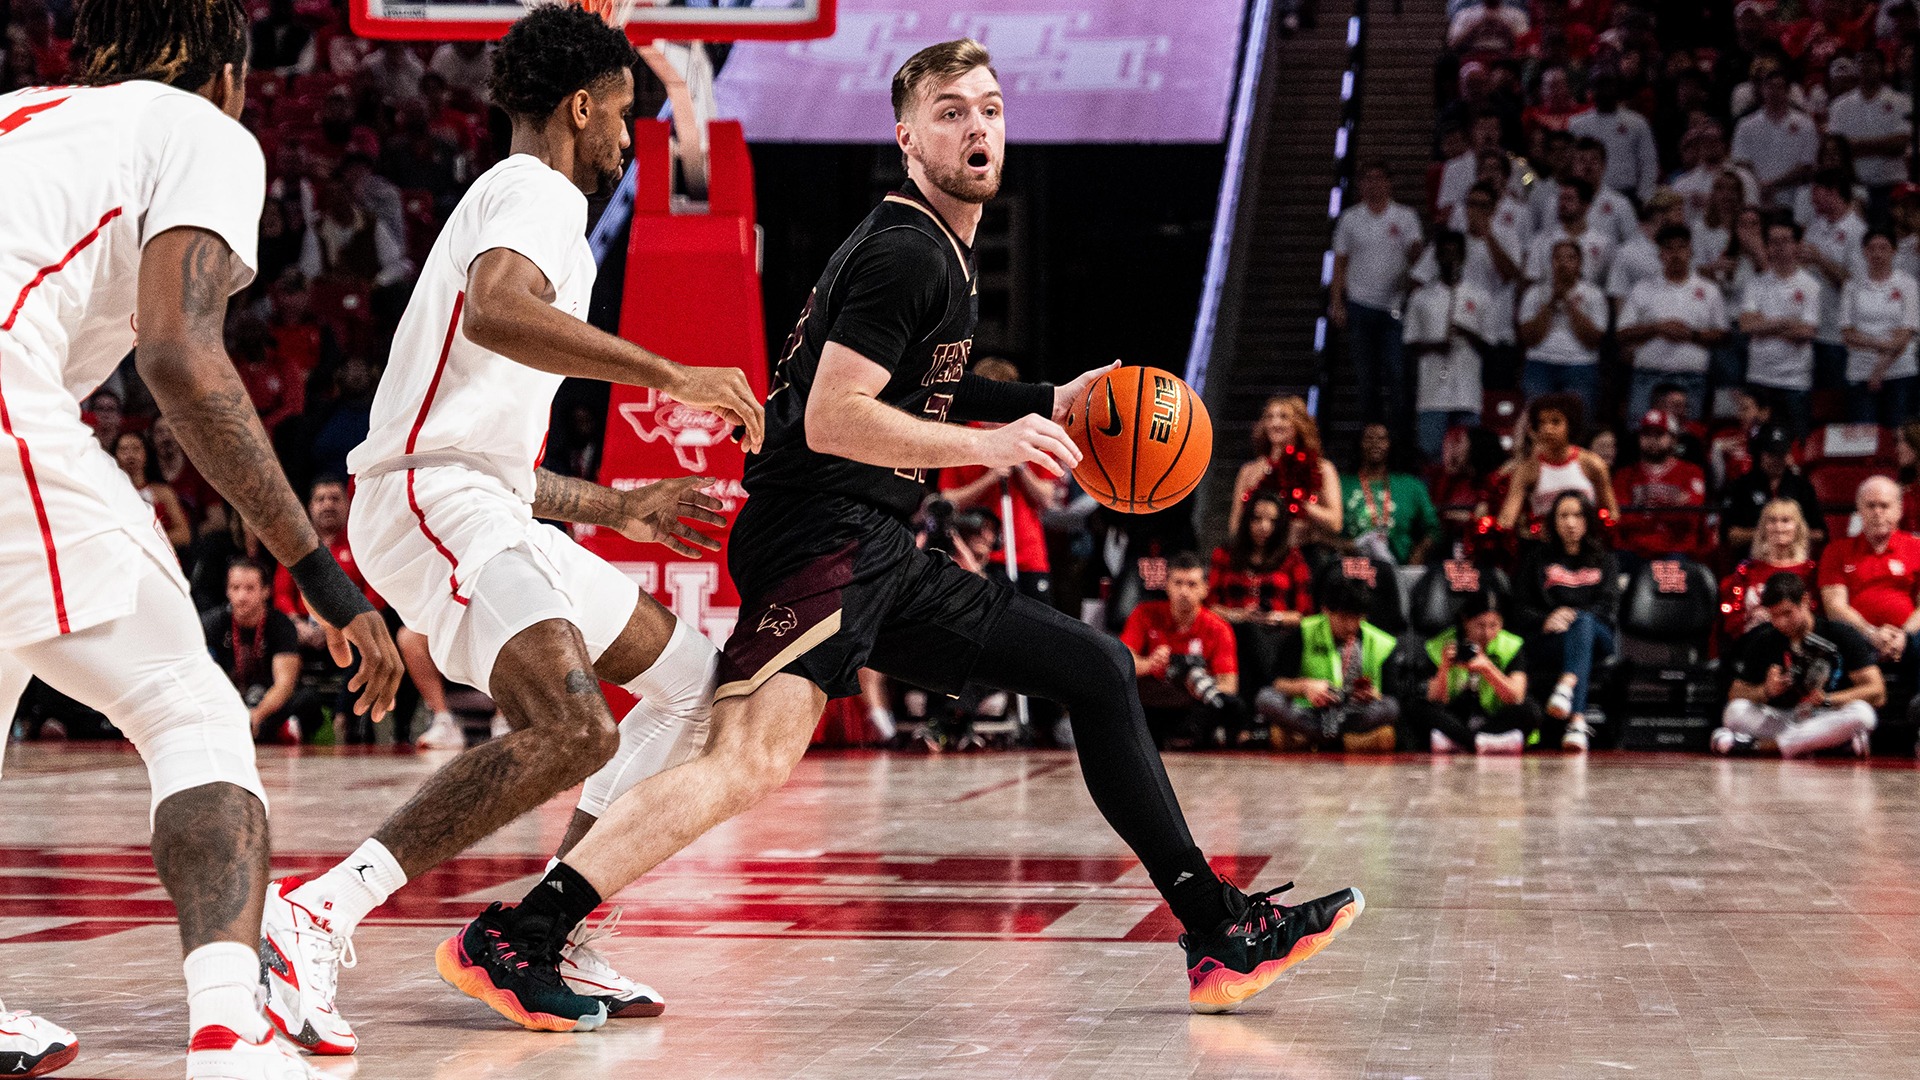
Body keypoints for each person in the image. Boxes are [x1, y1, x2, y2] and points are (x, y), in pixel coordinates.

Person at [503, 38, 1363, 1022]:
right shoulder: (909, 250)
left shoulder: (933, 247)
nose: (977, 127)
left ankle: (1214, 927)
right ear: (907, 136)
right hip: (824, 539)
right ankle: (526, 932)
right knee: (743, 763)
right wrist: (993, 450)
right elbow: (837, 416)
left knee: (1096, 670)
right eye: (951, 111)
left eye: (990, 108)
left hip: (872, 545)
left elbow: (927, 379)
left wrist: (1047, 396)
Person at [260, 6, 764, 1049]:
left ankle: (545, 932)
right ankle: (315, 911)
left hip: (475, 497)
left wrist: (618, 507)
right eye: (625, 115)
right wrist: (670, 369)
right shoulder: (531, 192)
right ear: (582, 108)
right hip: (426, 502)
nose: (631, 140)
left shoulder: (529, 209)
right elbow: (495, 310)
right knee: (574, 729)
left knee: (699, 690)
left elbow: (499, 460)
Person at [0, 1, 403, 1076]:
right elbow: (178, 354)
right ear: (227, 69)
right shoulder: (200, 127)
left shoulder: (20, 115)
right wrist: (315, 568)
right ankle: (232, 1029)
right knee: (188, 708)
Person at [937, 356, 1063, 606]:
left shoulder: (1030, 434)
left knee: (1035, 634)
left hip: (1027, 556)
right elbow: (947, 499)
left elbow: (1047, 498)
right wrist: (990, 477)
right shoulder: (963, 436)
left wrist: (1021, 464)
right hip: (979, 555)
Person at [1715, 572, 1883, 757]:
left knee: (1863, 714)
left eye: (1787, 613)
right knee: (1734, 712)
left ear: (1805, 601)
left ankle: (1764, 746)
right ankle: (1829, 745)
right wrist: (1766, 691)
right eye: (1774, 615)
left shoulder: (1839, 633)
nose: (1781, 623)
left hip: (1827, 715)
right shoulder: (1764, 639)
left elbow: (1877, 692)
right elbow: (1735, 693)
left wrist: (1827, 699)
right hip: (1785, 718)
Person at [1516, 492, 1618, 752]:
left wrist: (1572, 615)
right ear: (1554, 521)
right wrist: (1546, 618)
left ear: (1587, 521)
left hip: (1598, 635)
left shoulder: (1605, 560)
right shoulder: (1537, 558)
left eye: (1578, 515)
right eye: (1564, 515)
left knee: (1582, 622)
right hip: (1550, 637)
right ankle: (1576, 721)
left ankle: (1567, 688)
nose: (1570, 522)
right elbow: (1519, 608)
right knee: (1579, 630)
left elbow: (1608, 609)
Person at [1256, 571, 1399, 753]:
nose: (1350, 626)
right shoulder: (1304, 631)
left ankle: (1319, 739)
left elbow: (1390, 697)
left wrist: (1371, 695)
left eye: (1356, 618)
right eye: (1343, 617)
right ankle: (1338, 740)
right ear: (1326, 610)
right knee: (1266, 698)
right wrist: (1305, 687)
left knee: (1390, 708)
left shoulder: (1380, 642)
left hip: (1352, 714)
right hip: (1311, 712)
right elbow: (1277, 683)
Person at [1330, 161, 1424, 430]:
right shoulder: (1350, 219)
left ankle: (1398, 439)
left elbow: (1417, 253)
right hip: (1360, 305)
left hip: (1394, 307)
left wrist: (1413, 261)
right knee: (1366, 377)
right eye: (1368, 179)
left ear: (1389, 182)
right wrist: (1337, 302)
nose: (1374, 184)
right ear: (1361, 184)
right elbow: (1340, 263)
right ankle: (1370, 437)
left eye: (1379, 178)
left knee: (1397, 375)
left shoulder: (1405, 217)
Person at [1122, 552, 1243, 746]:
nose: (1184, 592)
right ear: (1167, 585)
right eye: (1178, 583)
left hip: (1192, 702)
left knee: (1229, 705)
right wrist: (1150, 663)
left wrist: (1195, 682)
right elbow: (1121, 662)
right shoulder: (1144, 614)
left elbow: (1229, 685)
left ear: (1205, 589)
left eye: (1192, 584)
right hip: (1151, 700)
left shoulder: (1218, 628)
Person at [1818, 476, 1920, 695]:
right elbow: (1835, 607)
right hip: (1857, 639)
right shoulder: (1837, 551)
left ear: (1899, 510)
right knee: (1837, 638)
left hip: (1910, 637)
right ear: (1859, 510)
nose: (1877, 512)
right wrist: (1871, 634)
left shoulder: (1916, 548)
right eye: (1870, 505)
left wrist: (1903, 635)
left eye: (1884, 506)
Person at [1616, 222, 1729, 419]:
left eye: (1681, 247)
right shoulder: (1642, 288)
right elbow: (1622, 333)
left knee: (1688, 439)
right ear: (1660, 254)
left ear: (1691, 251)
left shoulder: (1709, 290)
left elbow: (1723, 335)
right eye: (1669, 248)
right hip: (1648, 374)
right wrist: (1658, 328)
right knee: (1638, 434)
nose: (1676, 254)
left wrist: (1692, 334)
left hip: (1692, 376)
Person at [1411, 588, 1540, 754]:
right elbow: (1436, 699)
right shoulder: (1440, 645)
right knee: (1418, 708)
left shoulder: (1511, 646)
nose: (1487, 633)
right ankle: (1484, 743)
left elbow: (1516, 696)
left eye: (1494, 626)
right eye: (1480, 625)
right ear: (1466, 621)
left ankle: (1461, 742)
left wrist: (1488, 668)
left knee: (1530, 710)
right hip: (1456, 717)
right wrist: (1444, 667)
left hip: (1493, 717)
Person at [1404, 230, 1491, 461]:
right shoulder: (1421, 298)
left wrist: (1467, 333)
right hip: (1432, 392)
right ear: (1436, 257)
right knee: (1431, 455)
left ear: (1463, 256)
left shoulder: (1480, 296)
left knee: (1469, 456)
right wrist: (1435, 346)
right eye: (1444, 253)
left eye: (1454, 253)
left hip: (1467, 392)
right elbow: (1410, 343)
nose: (1449, 259)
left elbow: (1490, 346)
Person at [203, 560, 304, 743]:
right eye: (235, 588)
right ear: (227, 591)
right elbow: (202, 676)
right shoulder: (212, 623)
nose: (241, 596)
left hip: (267, 702)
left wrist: (256, 715)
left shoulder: (281, 625)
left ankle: (283, 731)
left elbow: (284, 684)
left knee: (306, 701)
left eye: (249, 589)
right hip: (228, 699)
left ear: (266, 591)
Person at [1740, 219, 1823, 437]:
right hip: (1759, 376)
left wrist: (1764, 324)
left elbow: (1807, 332)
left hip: (1795, 380)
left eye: (1785, 241)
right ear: (1767, 247)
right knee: (1756, 441)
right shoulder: (1755, 284)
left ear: (1797, 245)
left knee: (1796, 442)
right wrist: (1785, 322)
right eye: (1774, 242)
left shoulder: (1810, 286)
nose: (1779, 247)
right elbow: (1746, 325)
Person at [1496, 393, 1618, 537]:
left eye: (1555, 422)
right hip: (1544, 549)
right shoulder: (1527, 470)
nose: (1548, 429)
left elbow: (1611, 512)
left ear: (1570, 425)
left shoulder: (1593, 464)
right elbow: (1507, 519)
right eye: (1542, 422)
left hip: (1585, 548)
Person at [1228, 395, 1343, 538]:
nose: (1275, 423)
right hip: (1259, 555)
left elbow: (1335, 523)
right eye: (1269, 417)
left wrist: (1300, 503)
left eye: (1283, 417)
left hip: (1302, 553)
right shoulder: (1249, 470)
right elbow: (1235, 524)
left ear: (1299, 423)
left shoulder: (1322, 468)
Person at [1840, 227, 1920, 424]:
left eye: (1883, 248)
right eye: (1872, 248)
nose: (1877, 254)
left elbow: (1906, 333)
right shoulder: (1852, 286)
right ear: (1864, 252)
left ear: (1893, 251)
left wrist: (1879, 369)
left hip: (1900, 370)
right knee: (1863, 437)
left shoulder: (1907, 284)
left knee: (1899, 433)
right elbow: (1848, 334)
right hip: (1860, 370)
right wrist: (1882, 343)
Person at [1517, 239, 1608, 411]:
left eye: (1570, 258)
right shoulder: (1535, 293)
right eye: (1558, 258)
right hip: (1539, 361)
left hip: (1580, 363)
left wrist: (1568, 304)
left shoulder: (1594, 294)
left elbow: (1593, 339)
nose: (1563, 263)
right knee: (1536, 417)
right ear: (1551, 262)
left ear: (1580, 263)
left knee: (1577, 420)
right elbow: (1527, 337)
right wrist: (1551, 303)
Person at [1611, 409, 1710, 565]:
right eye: (1646, 435)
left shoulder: (1691, 472)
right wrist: (1670, 506)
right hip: (1633, 549)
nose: (1652, 440)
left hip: (1675, 549)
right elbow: (1619, 518)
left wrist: (1645, 512)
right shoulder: (1624, 475)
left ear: (1673, 439)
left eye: (1659, 435)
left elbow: (1691, 517)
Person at [1719, 498, 1819, 650]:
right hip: (1752, 646)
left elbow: (1818, 618)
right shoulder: (1747, 570)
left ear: (1798, 528)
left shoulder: (1810, 571)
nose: (1778, 527)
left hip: (1800, 647)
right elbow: (1730, 619)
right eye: (1772, 521)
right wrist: (1750, 617)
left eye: (1785, 521)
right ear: (1763, 528)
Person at [1801, 170, 1868, 393]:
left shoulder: (1857, 232)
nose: (1811, 200)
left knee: (1835, 402)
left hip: (1837, 334)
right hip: (1813, 328)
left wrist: (1820, 259)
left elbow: (1854, 284)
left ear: (1833, 193)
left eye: (1816, 194)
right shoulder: (1816, 225)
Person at [1825, 49, 1911, 221]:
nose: (1865, 67)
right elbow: (1837, 148)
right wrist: (1881, 145)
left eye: (1871, 62)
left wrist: (1855, 145)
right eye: (1861, 63)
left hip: (1891, 183)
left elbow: (1899, 145)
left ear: (1882, 67)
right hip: (1854, 186)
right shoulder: (1840, 106)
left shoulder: (1901, 101)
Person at [1209, 490, 1315, 628]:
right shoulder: (1224, 555)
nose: (1264, 527)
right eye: (1257, 518)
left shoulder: (1293, 558)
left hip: (1277, 640)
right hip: (1230, 634)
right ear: (1247, 520)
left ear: (1281, 524)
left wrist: (1275, 617)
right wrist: (1237, 615)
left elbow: (1305, 614)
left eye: (1273, 521)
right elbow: (1209, 606)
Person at [1341, 423, 1440, 565]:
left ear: (1391, 444)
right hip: (1352, 570)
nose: (1375, 443)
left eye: (1382, 439)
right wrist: (1343, 546)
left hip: (1400, 569)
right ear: (1359, 444)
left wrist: (1420, 552)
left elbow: (1434, 529)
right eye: (1369, 438)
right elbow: (1325, 531)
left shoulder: (1411, 485)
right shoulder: (1342, 484)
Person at [1722, 423, 1827, 552]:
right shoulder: (1741, 486)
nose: (1776, 460)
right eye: (1771, 454)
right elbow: (1729, 534)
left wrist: (1790, 535)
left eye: (1781, 454)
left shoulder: (1802, 487)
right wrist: (1769, 534)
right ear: (1761, 454)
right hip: (1752, 560)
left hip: (1794, 560)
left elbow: (1820, 533)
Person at [1731, 65, 1819, 211]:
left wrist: (1773, 184)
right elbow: (1741, 163)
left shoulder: (1805, 124)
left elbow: (1807, 165)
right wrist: (1759, 185)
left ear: (1788, 91)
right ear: (1762, 90)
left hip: (1793, 200)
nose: (1774, 92)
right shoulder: (1745, 125)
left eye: (1779, 87)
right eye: (1770, 87)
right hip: (1756, 200)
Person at [1567, 71, 1659, 203]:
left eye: (1609, 85)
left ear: (1617, 88)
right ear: (1591, 90)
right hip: (1586, 194)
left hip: (1626, 193)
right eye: (1599, 86)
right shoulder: (1577, 124)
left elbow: (1648, 161)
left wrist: (1645, 196)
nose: (1605, 91)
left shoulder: (1636, 122)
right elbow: (1570, 162)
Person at [1525, 177, 1613, 288]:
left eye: (1569, 199)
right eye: (1561, 199)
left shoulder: (1603, 243)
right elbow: (1532, 280)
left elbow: (1608, 285)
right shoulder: (1542, 240)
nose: (1563, 204)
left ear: (1585, 206)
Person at [114, 429, 193, 551]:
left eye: (136, 449)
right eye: (124, 450)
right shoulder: (109, 493)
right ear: (115, 456)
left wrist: (149, 541)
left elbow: (184, 534)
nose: (130, 455)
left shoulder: (163, 493)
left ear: (146, 454)